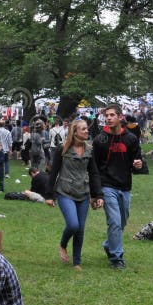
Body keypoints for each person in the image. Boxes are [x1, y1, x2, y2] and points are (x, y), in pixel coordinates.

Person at [45, 119, 103, 269]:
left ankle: (77, 262)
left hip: (83, 193)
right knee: (73, 224)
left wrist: (98, 195)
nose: (86, 131)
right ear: (75, 132)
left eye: (86, 129)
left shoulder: (89, 150)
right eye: (83, 129)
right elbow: (54, 172)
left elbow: (94, 173)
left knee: (81, 229)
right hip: (64, 191)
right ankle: (63, 244)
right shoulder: (62, 149)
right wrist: (49, 195)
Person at [92, 104, 142, 269]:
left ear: (121, 117)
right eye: (107, 115)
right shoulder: (100, 140)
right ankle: (116, 258)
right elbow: (94, 167)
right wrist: (96, 192)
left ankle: (109, 244)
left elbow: (138, 160)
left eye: (112, 115)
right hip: (107, 185)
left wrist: (138, 164)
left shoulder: (131, 139)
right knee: (114, 221)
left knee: (122, 221)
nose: (108, 118)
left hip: (125, 186)